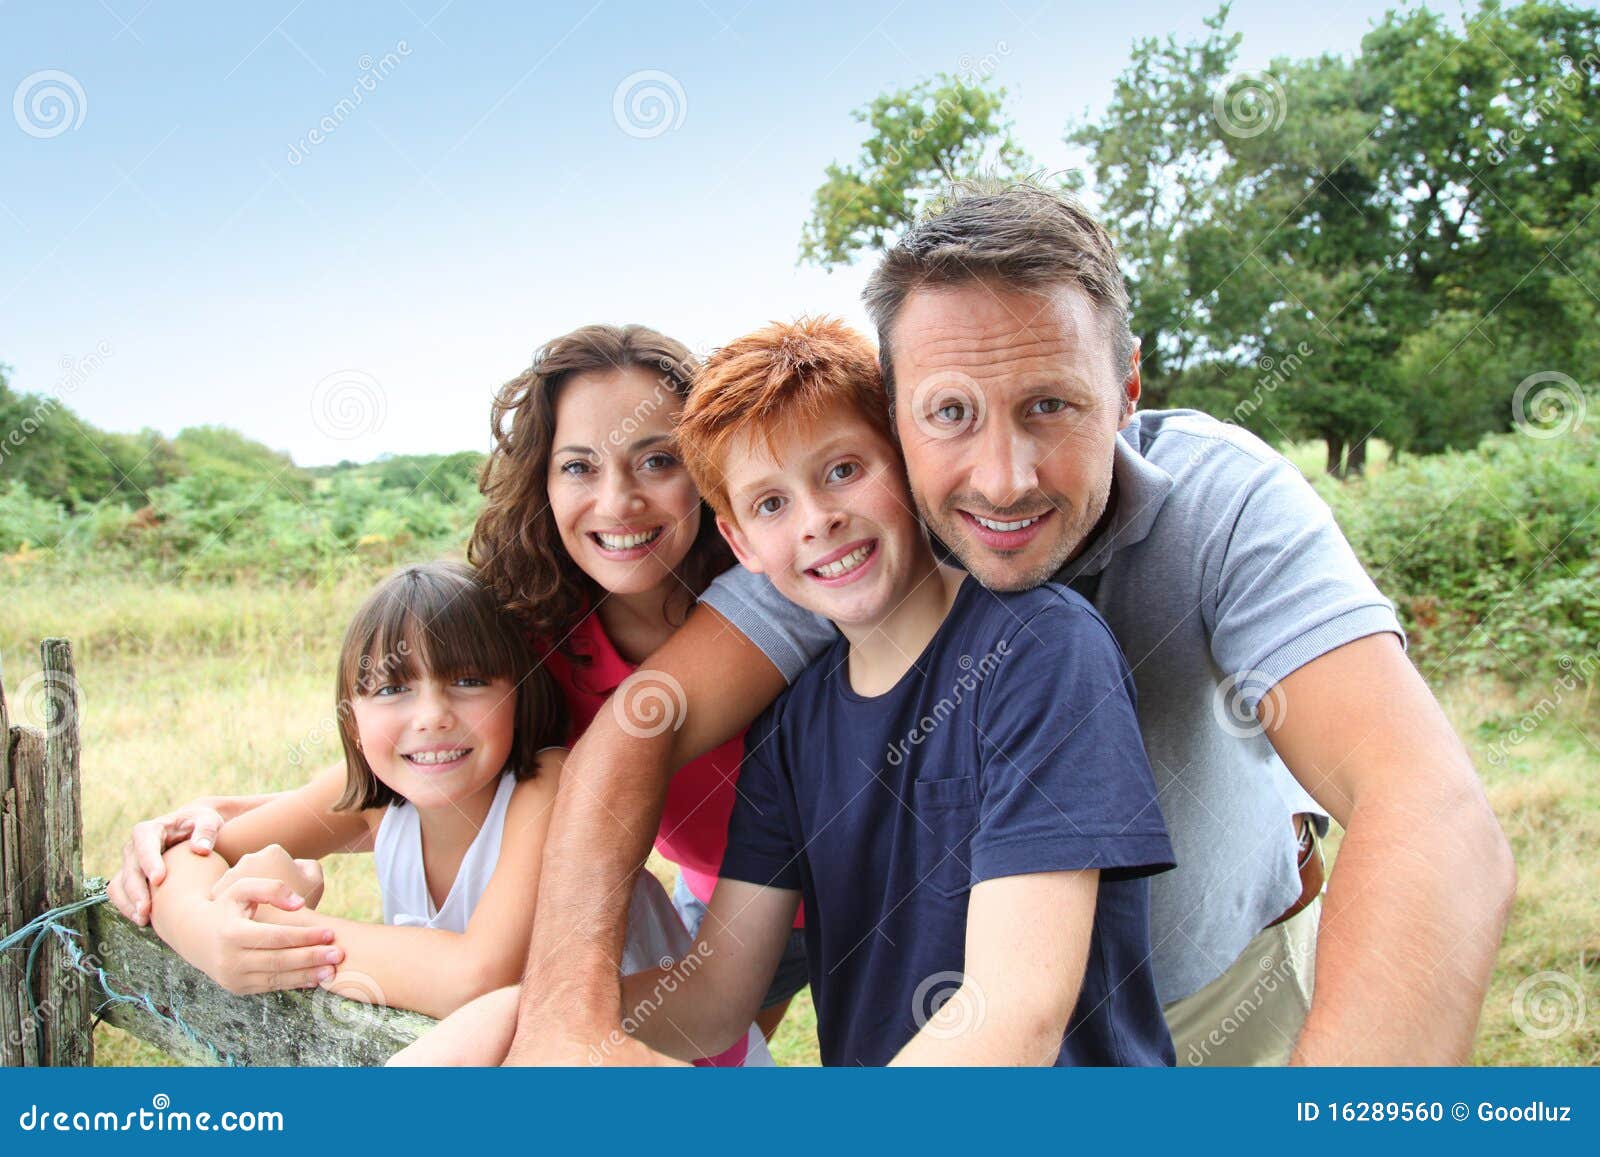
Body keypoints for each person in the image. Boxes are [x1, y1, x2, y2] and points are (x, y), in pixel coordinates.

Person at [490, 182, 1512, 1066]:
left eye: (1051, 405)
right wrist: (559, 1020)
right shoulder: (835, 543)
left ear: (1125, 388)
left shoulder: (1219, 504)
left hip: (1230, 981)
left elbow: (1425, 808)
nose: (1004, 477)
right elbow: (643, 726)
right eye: (948, 413)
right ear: (892, 416)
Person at [393, 316, 1174, 1066]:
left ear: (905, 460)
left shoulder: (1038, 648)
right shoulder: (794, 725)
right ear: (738, 542)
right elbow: (715, 995)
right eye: (771, 503)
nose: (818, 520)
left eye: (843, 470)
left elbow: (1014, 1017)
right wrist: (520, 1015)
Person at [110, 324, 806, 1041]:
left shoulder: (768, 582)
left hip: (855, 886)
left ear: (705, 466)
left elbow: (636, 733)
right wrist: (205, 905)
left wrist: (285, 927)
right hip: (722, 898)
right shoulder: (533, 637)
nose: (617, 499)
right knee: (707, 1057)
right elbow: (381, 788)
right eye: (577, 466)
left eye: (657, 459)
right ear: (541, 479)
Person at [141, 560, 770, 1065]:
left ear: (519, 695)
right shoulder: (375, 799)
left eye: (468, 681)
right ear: (352, 720)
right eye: (391, 689)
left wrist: (277, 934)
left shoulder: (547, 786)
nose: (432, 715)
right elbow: (194, 851)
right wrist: (208, 931)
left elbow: (475, 977)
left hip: (673, 1060)